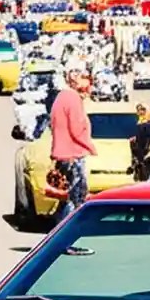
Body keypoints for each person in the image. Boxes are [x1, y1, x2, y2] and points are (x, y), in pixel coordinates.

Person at [47, 69, 97, 243]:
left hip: (63, 155)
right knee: (76, 201)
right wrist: (90, 145)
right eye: (87, 79)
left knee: (66, 199)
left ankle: (58, 238)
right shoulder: (72, 99)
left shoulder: (62, 97)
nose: (90, 83)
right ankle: (66, 240)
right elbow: (76, 128)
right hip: (73, 154)